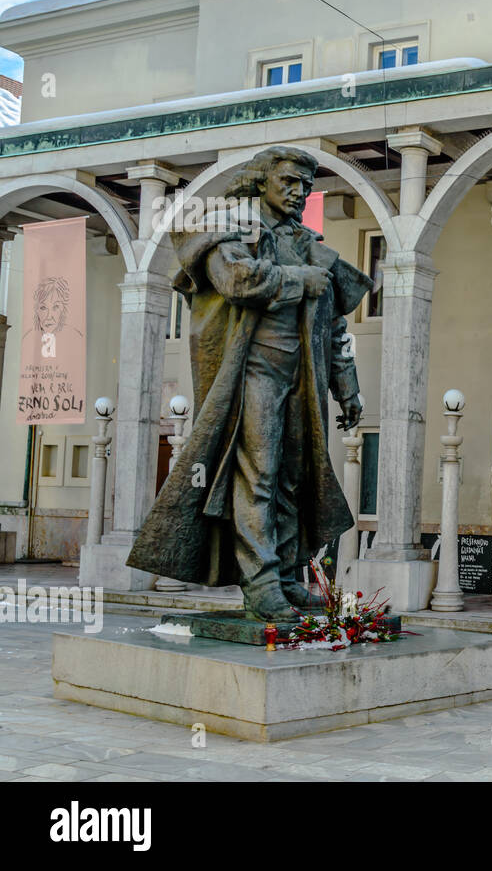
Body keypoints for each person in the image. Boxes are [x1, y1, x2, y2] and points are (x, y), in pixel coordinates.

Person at [126, 146, 370, 620]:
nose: (300, 192)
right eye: (290, 181)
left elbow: (335, 324)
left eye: (306, 185)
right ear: (262, 181)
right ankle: (260, 584)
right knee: (258, 472)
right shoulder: (226, 225)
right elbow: (235, 279)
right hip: (253, 368)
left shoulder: (308, 243)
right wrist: (299, 280)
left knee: (292, 476)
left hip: (304, 374)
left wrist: (349, 386)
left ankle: (285, 577)